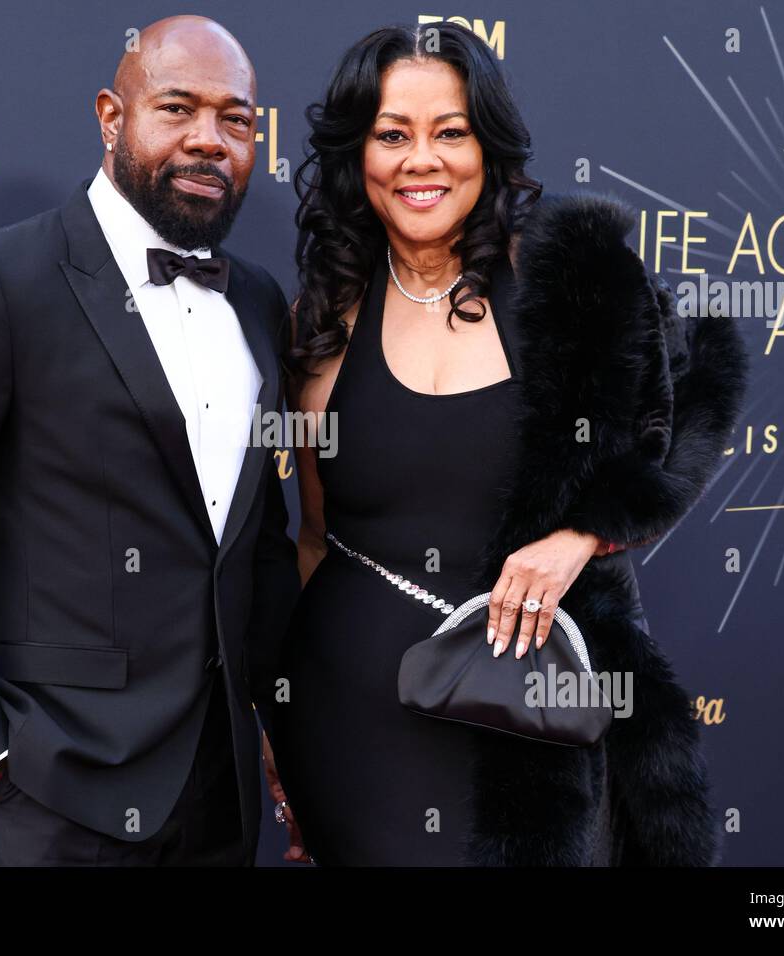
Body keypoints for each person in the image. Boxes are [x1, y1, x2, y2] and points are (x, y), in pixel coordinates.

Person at [264, 22, 748, 866]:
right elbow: (313, 538)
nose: (422, 160)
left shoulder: (569, 275)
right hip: (349, 719)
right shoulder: (325, 315)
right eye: (392, 135)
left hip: (530, 717)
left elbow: (691, 418)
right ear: (358, 155)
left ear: (488, 146)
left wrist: (579, 538)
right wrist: (276, 726)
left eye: (450, 132)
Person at [0, 15, 299, 866]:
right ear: (110, 118)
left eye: (235, 119)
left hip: (222, 801)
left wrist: (276, 728)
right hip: (63, 796)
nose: (209, 140)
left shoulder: (262, 303)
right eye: (177, 108)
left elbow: (256, 545)